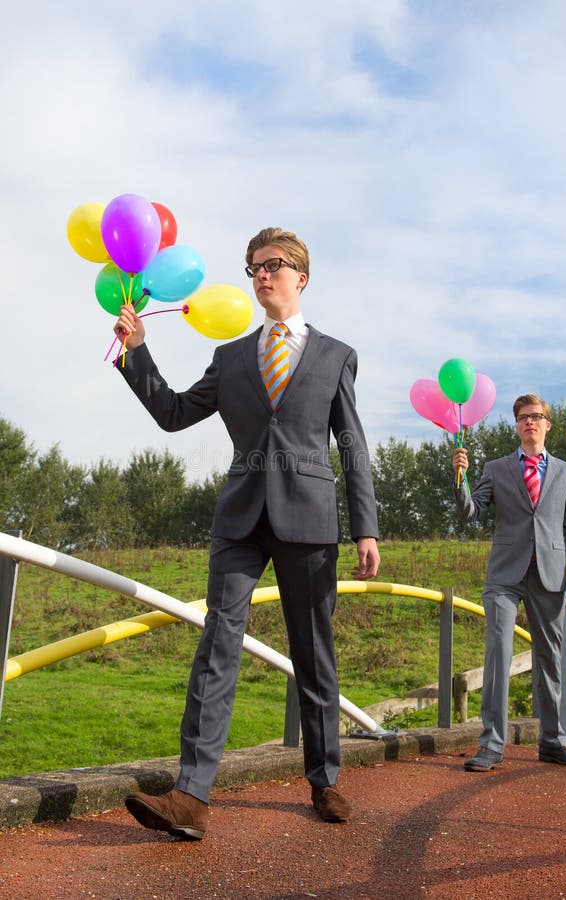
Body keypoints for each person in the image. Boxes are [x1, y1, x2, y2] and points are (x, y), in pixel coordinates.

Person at [113, 227, 380, 839]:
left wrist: (365, 527)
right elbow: (175, 413)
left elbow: (354, 446)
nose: (261, 275)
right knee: (218, 644)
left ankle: (326, 780)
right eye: (253, 267)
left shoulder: (337, 355)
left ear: (300, 277)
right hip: (239, 519)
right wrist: (136, 350)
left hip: (310, 520)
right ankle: (191, 797)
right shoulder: (231, 357)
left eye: (274, 265)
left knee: (314, 653)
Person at [452, 394, 566, 772]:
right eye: (523, 417)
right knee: (499, 654)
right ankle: (492, 745)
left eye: (537, 416)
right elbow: (470, 513)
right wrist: (459, 477)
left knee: (551, 660)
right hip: (505, 578)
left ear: (547, 425)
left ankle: (553, 742)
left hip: (550, 575)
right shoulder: (496, 469)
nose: (530, 422)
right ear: (517, 425)